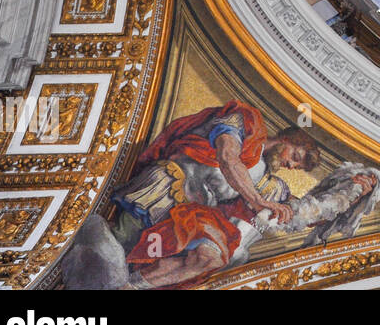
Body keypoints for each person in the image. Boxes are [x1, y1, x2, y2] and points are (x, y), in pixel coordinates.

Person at [112, 101, 321, 287]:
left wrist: (339, 204)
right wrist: (257, 201)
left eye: (297, 166)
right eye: (295, 155)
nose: (291, 165)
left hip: (194, 216)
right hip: (168, 190)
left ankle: (134, 286)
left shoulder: (267, 180)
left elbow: (300, 209)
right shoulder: (248, 122)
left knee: (212, 257)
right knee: (119, 245)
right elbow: (228, 157)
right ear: (286, 138)